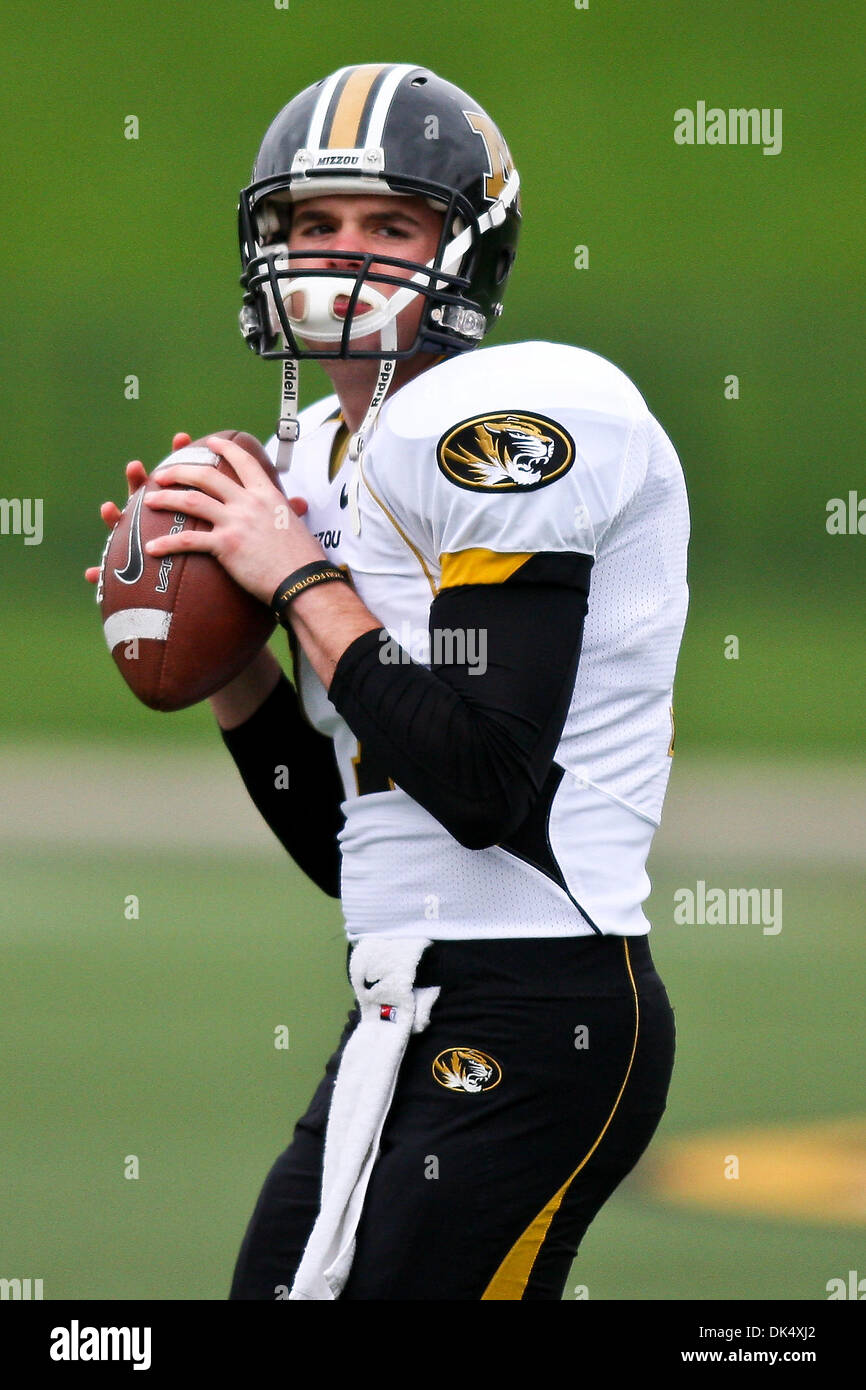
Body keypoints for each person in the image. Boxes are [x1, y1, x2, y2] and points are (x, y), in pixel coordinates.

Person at [87, 62, 689, 1301]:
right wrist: (229, 658)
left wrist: (299, 579)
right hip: (405, 1001)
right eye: (315, 225)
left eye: (388, 224)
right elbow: (360, 847)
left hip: (537, 1012)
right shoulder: (312, 455)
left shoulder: (499, 417)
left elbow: (481, 784)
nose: (344, 254)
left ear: (463, 251)